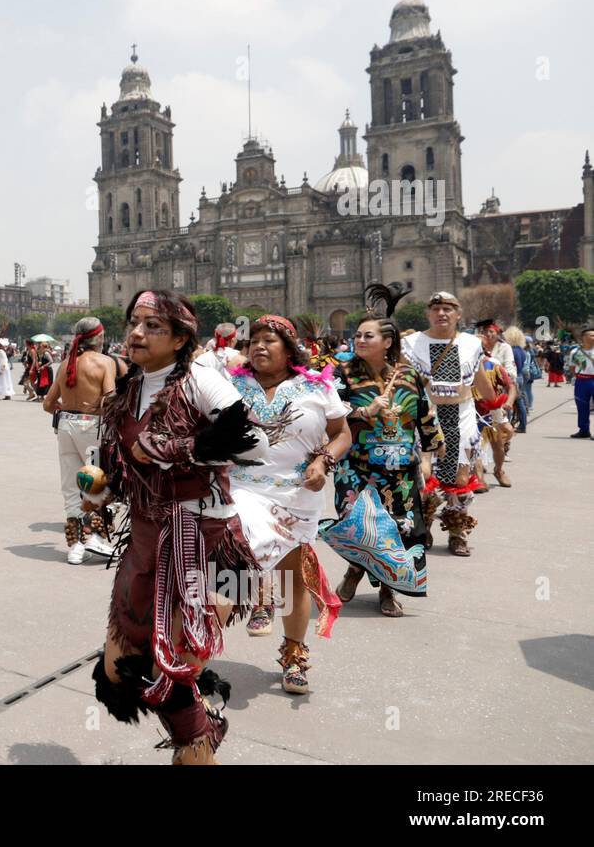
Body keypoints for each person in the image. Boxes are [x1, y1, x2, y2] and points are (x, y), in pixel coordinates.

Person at [92, 290, 269, 764]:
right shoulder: (128, 386)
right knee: (118, 669)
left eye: (152, 326)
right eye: (134, 322)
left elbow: (257, 442)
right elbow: (123, 460)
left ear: (179, 339)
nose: (136, 333)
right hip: (146, 541)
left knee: (174, 669)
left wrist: (174, 449)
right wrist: (105, 486)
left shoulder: (200, 379)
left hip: (207, 542)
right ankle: (202, 723)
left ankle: (196, 744)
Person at [227, 315, 349, 694]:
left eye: (269, 340)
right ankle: (197, 642)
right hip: (243, 487)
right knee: (242, 542)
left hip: (299, 493)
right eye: (254, 341)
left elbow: (341, 433)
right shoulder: (231, 385)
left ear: (290, 349)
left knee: (293, 577)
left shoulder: (317, 387)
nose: (259, 346)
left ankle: (294, 655)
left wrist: (323, 461)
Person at [332, 285, 445, 617]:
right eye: (357, 335)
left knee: (398, 529)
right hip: (356, 467)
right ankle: (355, 569)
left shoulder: (409, 375)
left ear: (387, 341)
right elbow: (329, 415)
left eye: (367, 336)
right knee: (358, 526)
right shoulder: (343, 374)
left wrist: (428, 457)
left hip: (401, 471)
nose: (359, 340)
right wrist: (363, 412)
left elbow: (425, 416)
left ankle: (387, 590)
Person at [401, 293, 498, 558]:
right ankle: (424, 527)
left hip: (462, 416)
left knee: (460, 477)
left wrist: (498, 412)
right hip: (425, 417)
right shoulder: (411, 344)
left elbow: (482, 382)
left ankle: (457, 532)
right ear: (428, 314)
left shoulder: (471, 344)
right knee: (424, 476)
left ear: (458, 314)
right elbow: (401, 382)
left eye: (447, 308)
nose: (441, 313)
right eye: (436, 309)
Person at [43, 317, 117, 563]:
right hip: (92, 427)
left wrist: (68, 410)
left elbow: (48, 404)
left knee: (71, 488)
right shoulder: (105, 362)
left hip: (65, 425)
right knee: (99, 484)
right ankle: (94, 536)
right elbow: (110, 400)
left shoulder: (66, 363)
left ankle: (75, 547)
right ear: (99, 337)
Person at [474, 320, 516, 487]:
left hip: (492, 410)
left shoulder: (494, 365)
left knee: (497, 445)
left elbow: (511, 386)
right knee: (474, 444)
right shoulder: (463, 366)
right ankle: (478, 478)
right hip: (469, 410)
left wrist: (509, 402)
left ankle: (499, 470)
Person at [504, 327, 533, 433]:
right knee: (519, 402)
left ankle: (507, 424)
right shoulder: (522, 351)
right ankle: (523, 425)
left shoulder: (512, 350)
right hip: (520, 376)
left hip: (513, 377)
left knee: (508, 401)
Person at [567, 326, 594, 439]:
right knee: (582, 406)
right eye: (591, 335)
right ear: (583, 337)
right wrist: (578, 377)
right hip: (581, 381)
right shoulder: (575, 352)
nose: (593, 337)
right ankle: (584, 430)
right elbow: (572, 367)